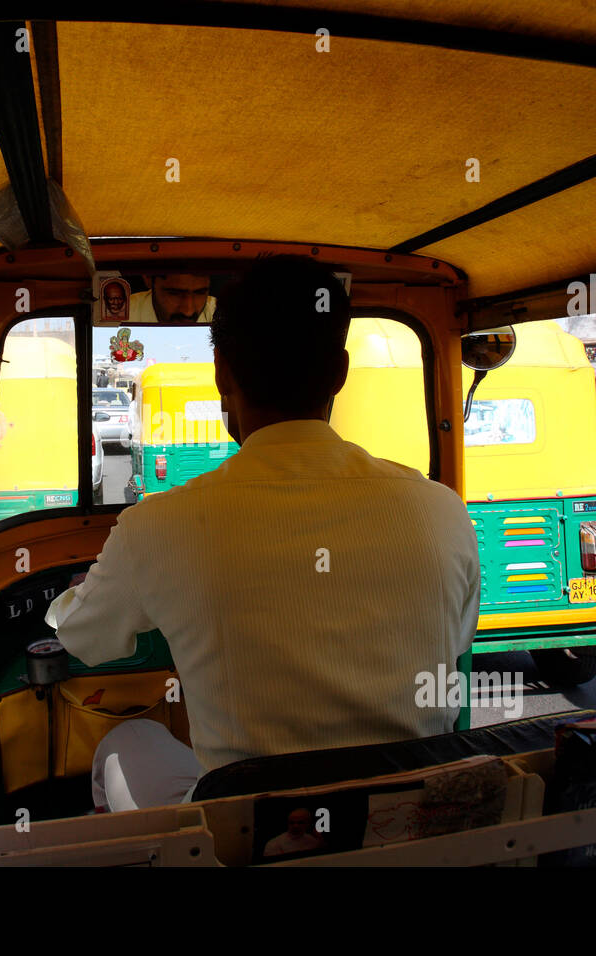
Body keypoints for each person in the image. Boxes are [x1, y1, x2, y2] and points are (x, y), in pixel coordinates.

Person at [46, 256, 480, 811]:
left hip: (241, 835)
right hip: (404, 824)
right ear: (340, 372)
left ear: (222, 372)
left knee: (128, 741)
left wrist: (88, 592)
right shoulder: (441, 511)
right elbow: (459, 637)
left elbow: (83, 639)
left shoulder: (157, 527)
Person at [129, 274, 216, 324]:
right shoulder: (124, 316)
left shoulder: (219, 312)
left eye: (200, 293)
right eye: (175, 294)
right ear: (148, 278)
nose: (188, 312)